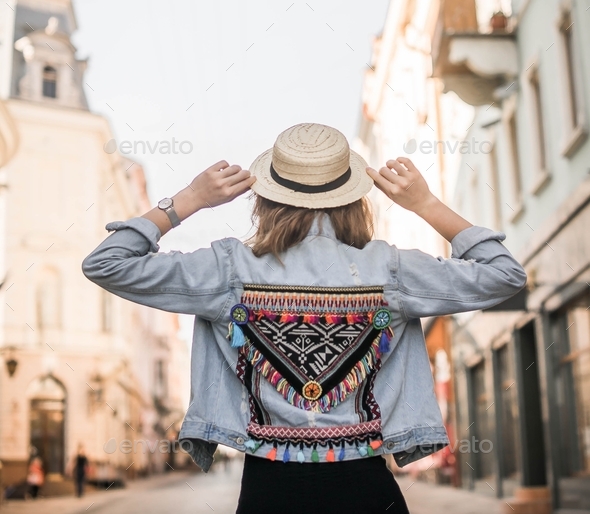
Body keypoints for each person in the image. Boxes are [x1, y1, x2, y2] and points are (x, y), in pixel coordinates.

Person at [82, 123, 526, 514]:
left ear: (267, 199)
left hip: (268, 490)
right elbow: (505, 275)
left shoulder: (226, 269)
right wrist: (426, 204)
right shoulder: (390, 270)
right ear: (352, 198)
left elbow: (107, 263)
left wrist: (188, 200)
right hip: (367, 488)